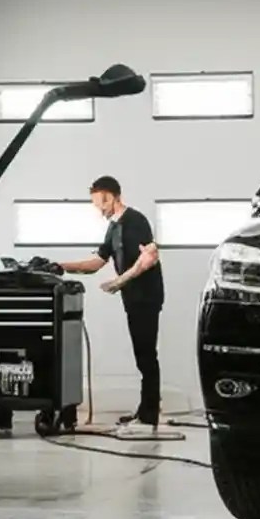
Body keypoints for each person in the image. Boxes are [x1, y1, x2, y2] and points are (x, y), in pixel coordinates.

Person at [57, 176, 164, 429]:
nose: (99, 208)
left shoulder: (134, 221)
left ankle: (150, 416)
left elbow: (149, 257)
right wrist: (60, 266)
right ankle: (144, 410)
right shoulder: (113, 226)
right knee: (142, 354)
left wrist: (120, 282)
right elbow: (97, 262)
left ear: (111, 196)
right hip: (132, 298)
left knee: (146, 355)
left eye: (100, 202)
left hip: (146, 297)